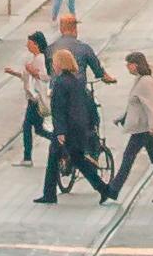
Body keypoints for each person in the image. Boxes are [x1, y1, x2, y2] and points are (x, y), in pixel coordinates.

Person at [41, 39, 106, 204]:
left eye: (55, 62)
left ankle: (49, 195)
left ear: (61, 64)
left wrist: (61, 131)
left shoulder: (61, 83)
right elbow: (84, 104)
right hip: (77, 128)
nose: (53, 65)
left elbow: (59, 109)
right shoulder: (76, 81)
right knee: (78, 161)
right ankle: (105, 190)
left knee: (59, 160)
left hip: (67, 130)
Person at [112, 51, 153, 204]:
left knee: (128, 158)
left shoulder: (145, 82)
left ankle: (112, 190)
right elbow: (136, 104)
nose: (127, 67)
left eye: (129, 64)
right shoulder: (142, 79)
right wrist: (124, 117)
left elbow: (150, 106)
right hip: (147, 127)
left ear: (136, 65)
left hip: (145, 129)